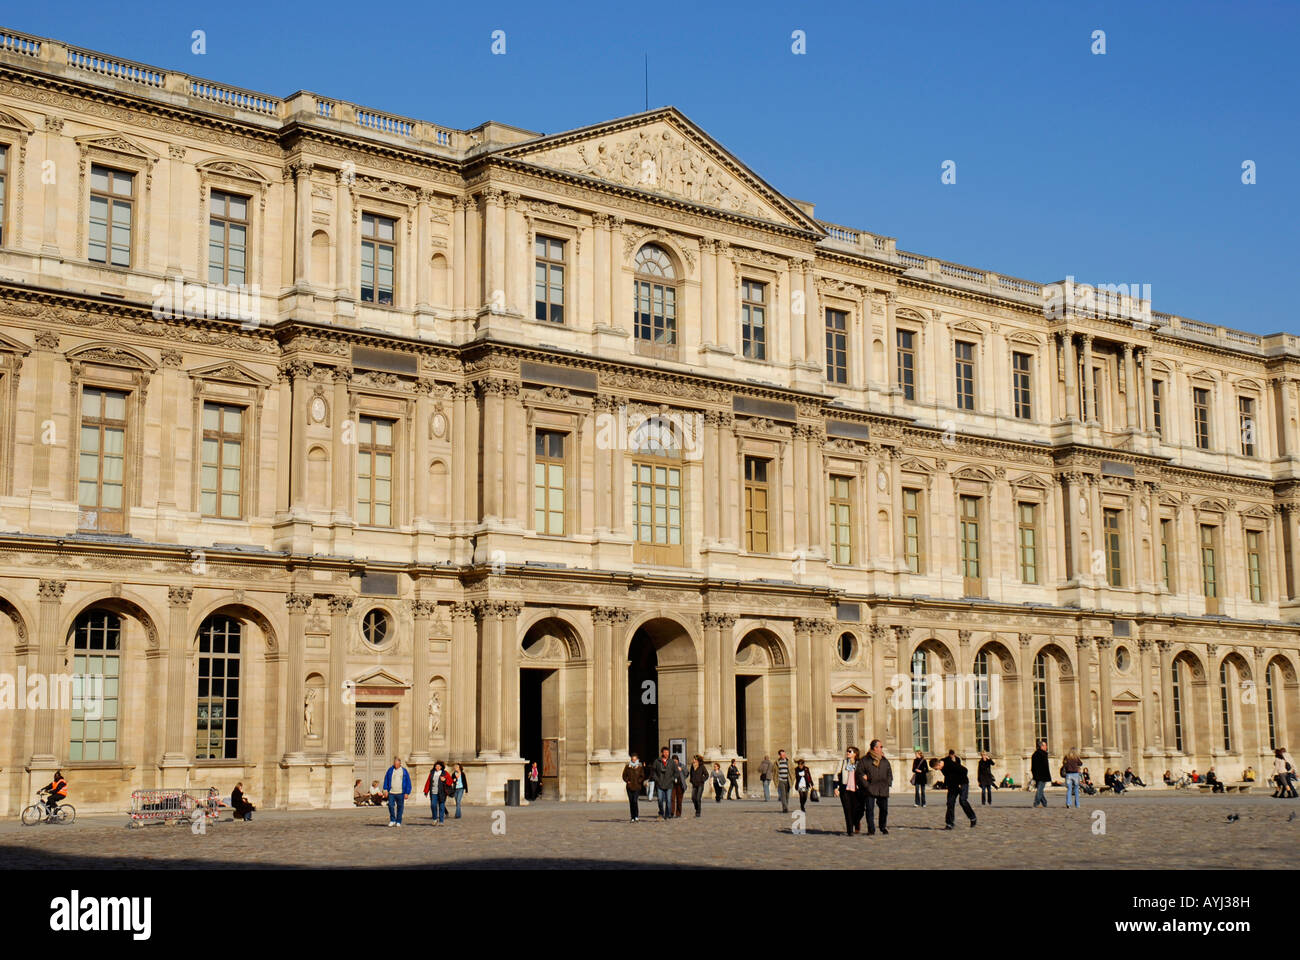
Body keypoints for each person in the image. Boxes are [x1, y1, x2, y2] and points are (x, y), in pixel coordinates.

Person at [934, 751, 976, 830]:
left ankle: (972, 817)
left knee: (962, 800)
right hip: (952, 785)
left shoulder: (950, 764)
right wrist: (945, 784)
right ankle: (949, 823)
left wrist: (960, 782)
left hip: (962, 783)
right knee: (950, 803)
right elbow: (948, 776)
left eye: (936, 768)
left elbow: (964, 770)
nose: (937, 770)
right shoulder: (943, 765)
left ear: (939, 764)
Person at [862, 740, 893, 836]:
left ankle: (882, 827)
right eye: (880, 746)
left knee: (884, 809)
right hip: (870, 788)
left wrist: (888, 782)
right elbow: (860, 773)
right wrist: (866, 785)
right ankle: (871, 829)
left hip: (883, 788)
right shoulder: (865, 760)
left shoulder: (884, 760)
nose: (881, 748)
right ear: (875, 748)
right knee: (870, 809)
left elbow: (889, 773)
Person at [833, 746, 865, 836]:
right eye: (847, 751)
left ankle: (856, 821)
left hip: (857, 789)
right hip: (845, 789)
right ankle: (850, 830)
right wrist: (835, 788)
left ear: (855, 753)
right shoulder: (842, 763)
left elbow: (864, 773)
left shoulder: (860, 763)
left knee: (859, 809)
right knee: (847, 810)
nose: (848, 753)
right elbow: (836, 775)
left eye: (850, 751)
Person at [382, 756, 411, 827]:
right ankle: (392, 820)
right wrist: (385, 790)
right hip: (391, 792)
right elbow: (386, 780)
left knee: (400, 807)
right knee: (391, 806)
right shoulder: (390, 770)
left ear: (400, 764)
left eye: (397, 764)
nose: (396, 765)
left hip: (401, 792)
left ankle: (398, 821)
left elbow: (408, 782)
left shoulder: (404, 771)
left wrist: (407, 792)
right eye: (395, 764)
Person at [652, 747, 674, 819]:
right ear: (662, 753)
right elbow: (653, 771)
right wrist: (656, 779)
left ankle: (667, 814)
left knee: (668, 800)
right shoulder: (657, 761)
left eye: (667, 752)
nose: (666, 754)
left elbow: (676, 772)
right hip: (660, 784)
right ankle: (661, 812)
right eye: (665, 752)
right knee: (660, 800)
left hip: (669, 784)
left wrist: (672, 779)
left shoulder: (671, 762)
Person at [622, 752, 645, 822]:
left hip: (637, 786)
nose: (634, 760)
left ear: (637, 759)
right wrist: (627, 781)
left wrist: (639, 781)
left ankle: (636, 816)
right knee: (631, 802)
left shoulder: (640, 767)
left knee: (635, 801)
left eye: (635, 759)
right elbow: (624, 775)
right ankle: (632, 817)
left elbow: (642, 776)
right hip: (629, 786)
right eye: (632, 759)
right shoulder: (628, 766)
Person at [1031, 740, 1051, 808]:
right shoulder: (1043, 754)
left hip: (1037, 775)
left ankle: (1044, 802)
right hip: (1043, 775)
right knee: (1040, 789)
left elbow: (1033, 767)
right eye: (1045, 745)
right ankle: (1036, 802)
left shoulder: (1034, 754)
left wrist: (1034, 774)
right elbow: (1045, 766)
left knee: (1040, 789)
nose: (1046, 747)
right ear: (1041, 746)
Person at [774, 749, 792, 813]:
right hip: (781, 780)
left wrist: (792, 778)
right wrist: (776, 780)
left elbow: (792, 771)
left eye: (784, 754)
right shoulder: (777, 762)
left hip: (788, 780)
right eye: (782, 754)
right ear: (779, 755)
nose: (784, 755)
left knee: (787, 794)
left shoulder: (789, 762)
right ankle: (785, 808)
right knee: (783, 795)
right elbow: (774, 772)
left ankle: (786, 805)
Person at [670, 753, 686, 817]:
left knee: (679, 800)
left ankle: (678, 813)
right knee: (672, 799)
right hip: (672, 784)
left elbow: (686, 773)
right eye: (673, 761)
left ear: (678, 761)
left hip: (680, 785)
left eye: (676, 761)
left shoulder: (682, 766)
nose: (675, 762)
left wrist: (681, 770)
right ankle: (671, 812)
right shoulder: (670, 766)